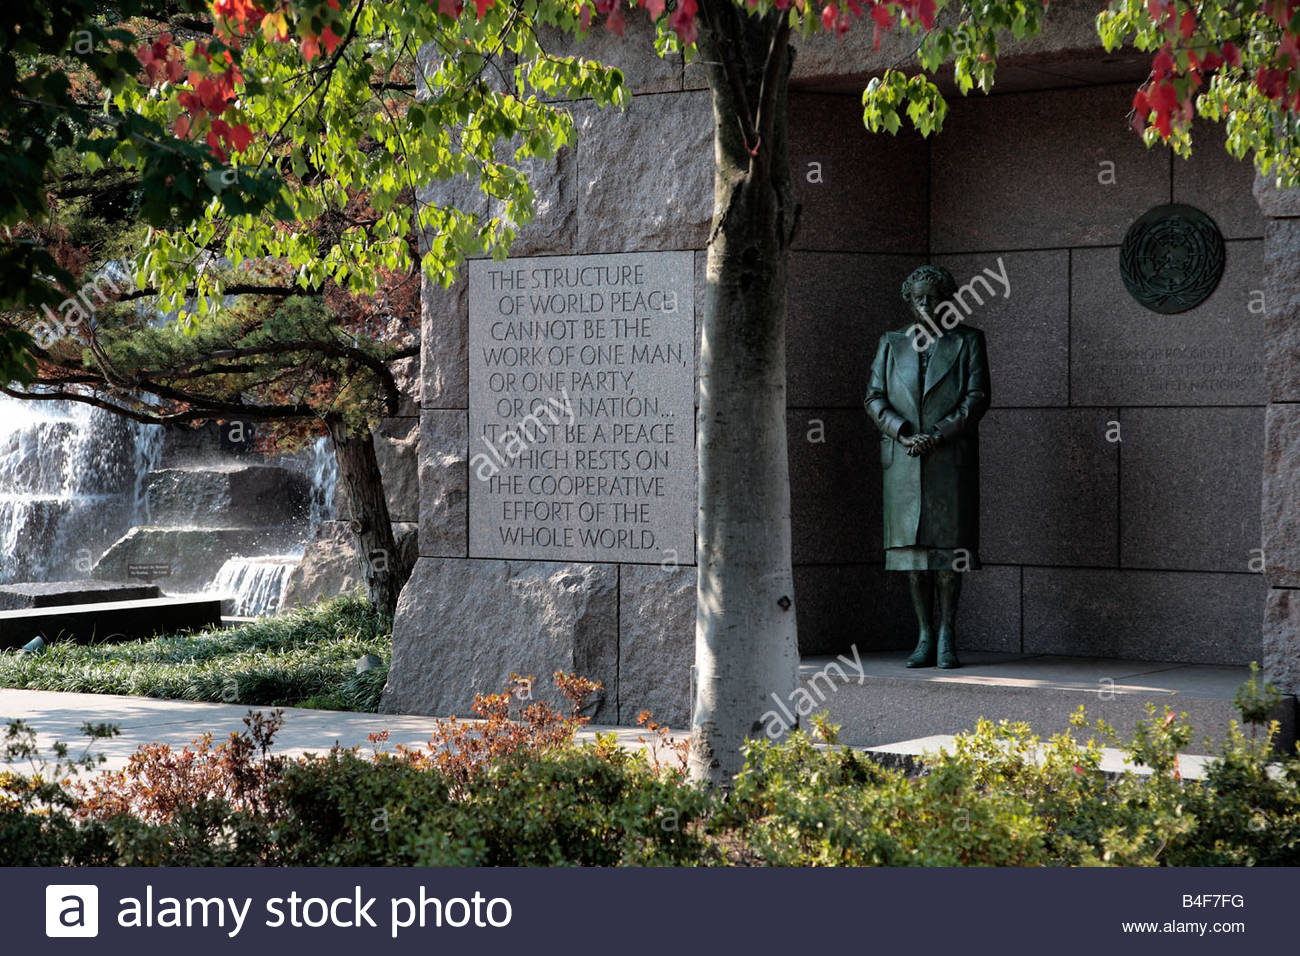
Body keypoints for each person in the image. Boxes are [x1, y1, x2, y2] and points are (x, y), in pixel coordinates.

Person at [864, 265, 991, 669]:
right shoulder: (890, 343)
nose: (925, 305)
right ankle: (924, 634)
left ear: (949, 298)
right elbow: (873, 397)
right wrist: (903, 433)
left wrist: (937, 434)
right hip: (904, 461)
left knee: (948, 554)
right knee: (913, 557)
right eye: (918, 298)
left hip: (948, 459)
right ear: (908, 298)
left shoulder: (968, 341)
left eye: (933, 297)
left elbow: (977, 397)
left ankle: (948, 634)